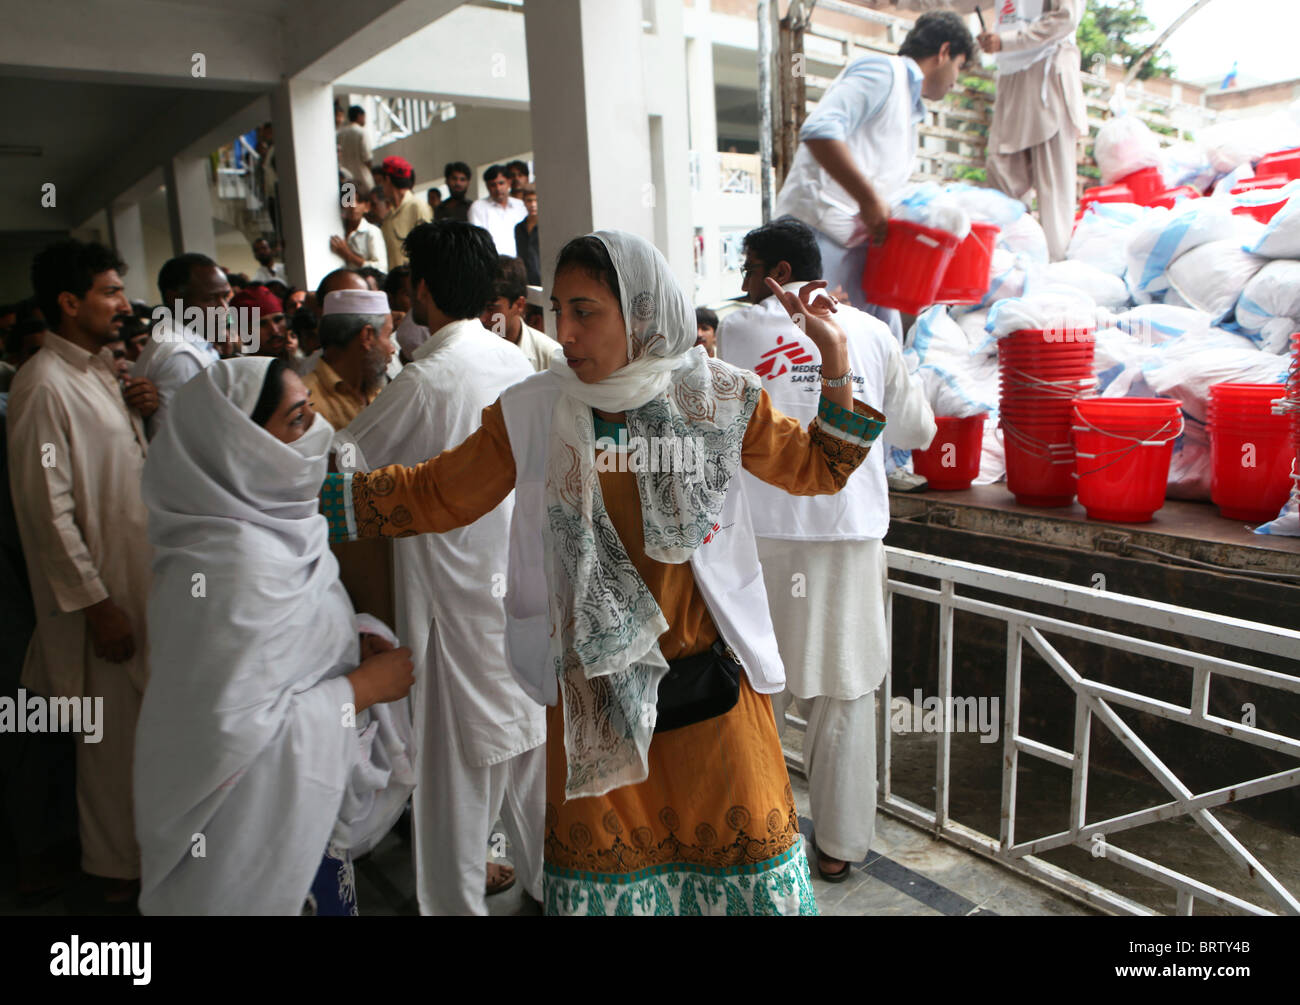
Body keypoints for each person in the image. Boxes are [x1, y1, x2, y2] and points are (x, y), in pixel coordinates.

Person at [320, 230, 886, 915]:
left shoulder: (716, 397)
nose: (564, 331)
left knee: (746, 885)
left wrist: (836, 363)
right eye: (557, 309)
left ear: (640, 311)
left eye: (585, 310)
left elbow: (821, 466)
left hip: (708, 698)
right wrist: (306, 499)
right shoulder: (534, 410)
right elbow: (438, 490)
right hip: (599, 716)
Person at [135, 356, 416, 915]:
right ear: (240, 445)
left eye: (311, 413)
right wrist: (360, 690)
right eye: (295, 421)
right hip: (243, 835)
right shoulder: (228, 566)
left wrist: (351, 638)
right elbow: (240, 742)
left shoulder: (275, 527)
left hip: (303, 819)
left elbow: (286, 652)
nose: (318, 433)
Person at [716, 217, 935, 883]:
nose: (746, 286)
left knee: (759, 691)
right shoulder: (871, 332)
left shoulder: (737, 331)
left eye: (752, 271)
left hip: (760, 536)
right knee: (846, 693)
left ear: (778, 272)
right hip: (847, 535)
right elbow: (917, 430)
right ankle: (838, 844)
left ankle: (762, 833)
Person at [336, 221, 543, 915]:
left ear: (421, 289)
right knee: (533, 764)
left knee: (455, 785)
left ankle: (455, 905)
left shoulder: (425, 381)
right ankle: (557, 889)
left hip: (457, 616)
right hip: (523, 598)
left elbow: (341, 467)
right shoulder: (516, 362)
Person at [8, 240, 153, 908]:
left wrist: (144, 412)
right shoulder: (41, 384)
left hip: (135, 584)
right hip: (102, 605)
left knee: (137, 743)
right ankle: (116, 876)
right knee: (110, 751)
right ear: (70, 303)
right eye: (110, 291)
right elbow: (48, 513)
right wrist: (98, 606)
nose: (123, 303)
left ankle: (144, 860)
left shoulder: (98, 371)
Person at [774, 10, 974, 337]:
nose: (957, 79)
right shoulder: (884, 72)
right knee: (810, 354)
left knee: (879, 345)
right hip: (813, 236)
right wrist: (868, 200)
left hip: (854, 247)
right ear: (943, 53)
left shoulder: (909, 109)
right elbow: (820, 129)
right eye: (959, 65)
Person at [889, 0, 1086, 261]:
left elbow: (1066, 17)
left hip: (1050, 74)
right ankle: (1009, 269)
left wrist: (1008, 41)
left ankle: (1054, 275)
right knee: (1002, 179)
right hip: (1010, 78)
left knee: (1053, 192)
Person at [132, 254, 234, 439]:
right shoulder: (181, 356)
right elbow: (183, 439)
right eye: (210, 299)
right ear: (175, 299)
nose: (224, 309)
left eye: (225, 298)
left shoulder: (192, 344)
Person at [302, 288, 395, 429]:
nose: (392, 349)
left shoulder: (379, 388)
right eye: (388, 336)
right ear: (367, 336)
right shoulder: (306, 404)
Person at [479, 255, 560, 373]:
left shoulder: (550, 358)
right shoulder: (470, 351)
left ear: (519, 305)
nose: (483, 318)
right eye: (480, 308)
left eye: (491, 308)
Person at [379, 156, 433, 268]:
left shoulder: (418, 207)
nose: (381, 187)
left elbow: (427, 251)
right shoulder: (388, 218)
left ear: (387, 180)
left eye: (381, 181)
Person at [468, 164, 527, 257]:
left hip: (521, 262)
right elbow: (478, 241)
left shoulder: (521, 205)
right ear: (487, 186)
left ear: (509, 182)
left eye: (501, 183)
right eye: (493, 185)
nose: (498, 188)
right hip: (493, 262)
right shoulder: (478, 207)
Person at [331, 186, 388, 272]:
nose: (353, 206)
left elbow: (381, 268)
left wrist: (349, 255)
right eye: (349, 200)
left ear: (367, 207)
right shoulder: (337, 229)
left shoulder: (372, 232)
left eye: (359, 201)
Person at [337, 104, 375, 194]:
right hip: (362, 180)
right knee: (366, 206)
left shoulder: (339, 134)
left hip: (345, 181)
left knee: (349, 205)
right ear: (359, 116)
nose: (365, 120)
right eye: (364, 117)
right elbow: (367, 158)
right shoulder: (361, 132)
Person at [513, 185, 541, 285]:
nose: (533, 204)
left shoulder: (546, 227)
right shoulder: (519, 228)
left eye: (536, 200)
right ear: (524, 202)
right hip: (525, 280)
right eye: (529, 201)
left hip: (544, 279)